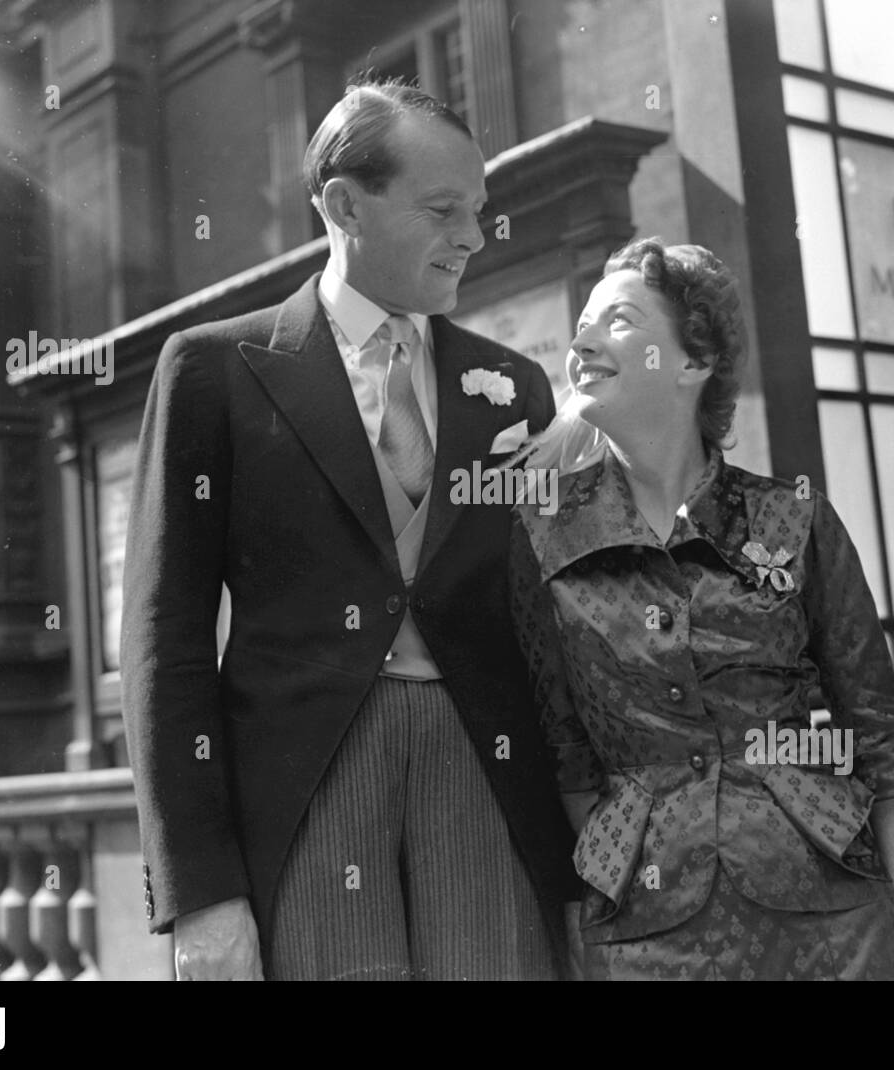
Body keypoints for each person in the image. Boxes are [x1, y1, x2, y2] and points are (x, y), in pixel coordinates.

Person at [121, 80, 579, 981]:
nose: (474, 237)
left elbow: (554, 623)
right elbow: (162, 641)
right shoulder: (212, 370)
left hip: (486, 785)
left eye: (479, 212)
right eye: (443, 209)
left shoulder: (514, 385)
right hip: (305, 796)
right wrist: (201, 895)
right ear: (343, 205)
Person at [508, 237, 894, 981]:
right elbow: (567, 757)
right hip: (641, 934)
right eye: (582, 324)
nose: (583, 340)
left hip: (828, 914)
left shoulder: (793, 518)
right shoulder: (541, 539)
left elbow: (879, 737)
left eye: (618, 320)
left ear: (693, 363)